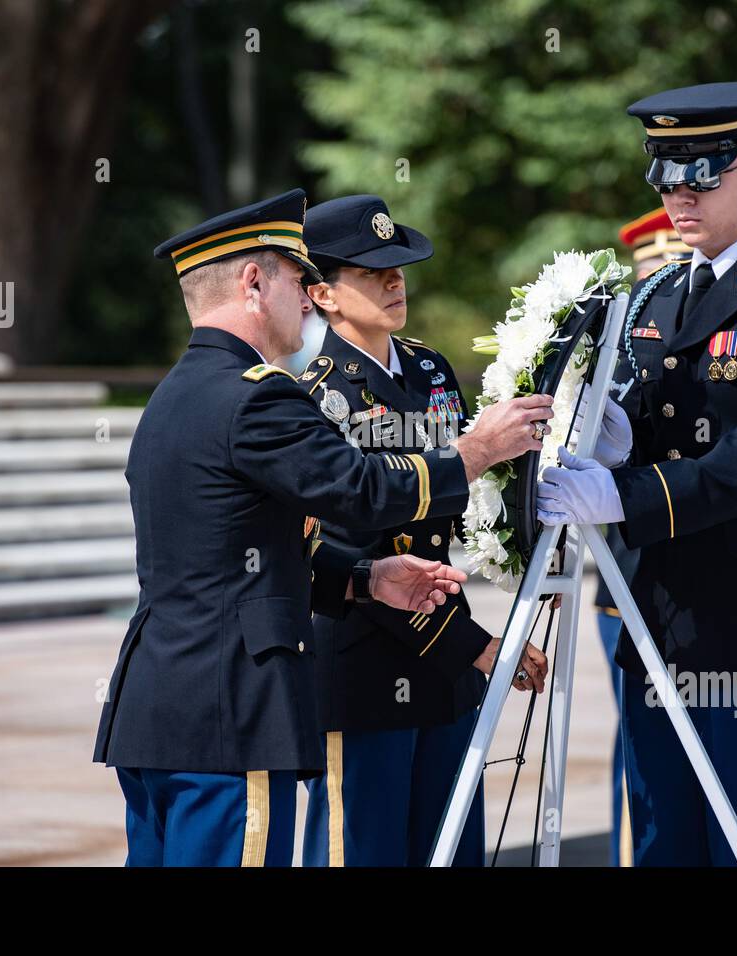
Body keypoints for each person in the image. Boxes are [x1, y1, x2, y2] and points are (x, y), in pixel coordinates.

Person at [92, 188, 553, 867]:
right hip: (231, 715)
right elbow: (361, 493)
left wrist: (365, 578)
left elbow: (245, 546)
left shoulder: (177, 394)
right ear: (255, 282)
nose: (308, 297)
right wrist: (477, 450)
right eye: (298, 278)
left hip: (163, 712)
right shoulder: (256, 395)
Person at [537, 82, 737, 866]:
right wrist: (609, 441)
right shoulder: (654, 291)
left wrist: (625, 492)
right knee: (657, 843)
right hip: (659, 603)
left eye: (701, 177)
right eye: (664, 177)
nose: (677, 197)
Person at [294, 195, 549, 867]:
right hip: (365, 667)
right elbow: (352, 552)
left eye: (398, 267)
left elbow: (465, 498)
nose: (394, 280)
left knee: (450, 849)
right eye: (371, 272)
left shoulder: (430, 369)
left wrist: (532, 551)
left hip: (445, 668)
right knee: (365, 851)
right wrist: (473, 645)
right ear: (321, 293)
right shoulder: (316, 393)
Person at [594, 207, 692, 867]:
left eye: (669, 268)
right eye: (648, 272)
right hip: (625, 573)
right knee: (642, 736)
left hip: (701, 568)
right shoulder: (619, 348)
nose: (656, 284)